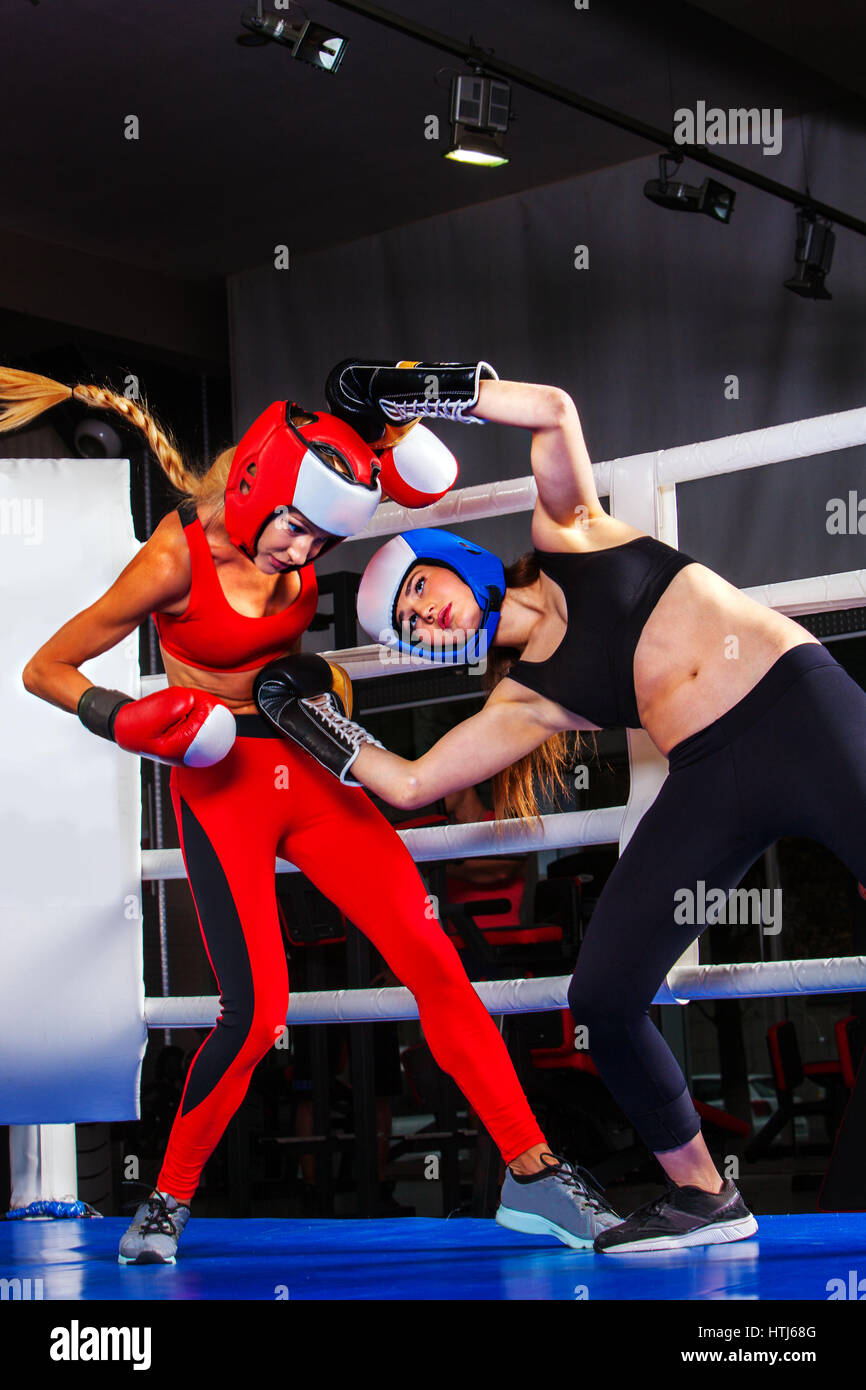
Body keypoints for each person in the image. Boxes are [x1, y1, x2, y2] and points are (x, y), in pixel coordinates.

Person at [5, 365, 620, 1262]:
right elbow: (45, 668)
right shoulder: (173, 559)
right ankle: (166, 1204)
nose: (302, 557)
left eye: (319, 540)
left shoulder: (305, 505)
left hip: (314, 762)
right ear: (256, 490)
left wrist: (391, 397)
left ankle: (533, 1180)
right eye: (296, 533)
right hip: (220, 782)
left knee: (434, 961)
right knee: (255, 1013)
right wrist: (122, 716)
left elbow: (379, 429)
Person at [258, 359, 866, 1253]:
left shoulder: (570, 533)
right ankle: (706, 1196)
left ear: (452, 559)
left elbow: (552, 411)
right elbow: (415, 782)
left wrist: (403, 387)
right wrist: (313, 724)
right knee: (604, 996)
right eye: (410, 627)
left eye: (421, 590)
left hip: (798, 707)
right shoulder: (525, 701)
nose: (426, 619)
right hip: (712, 779)